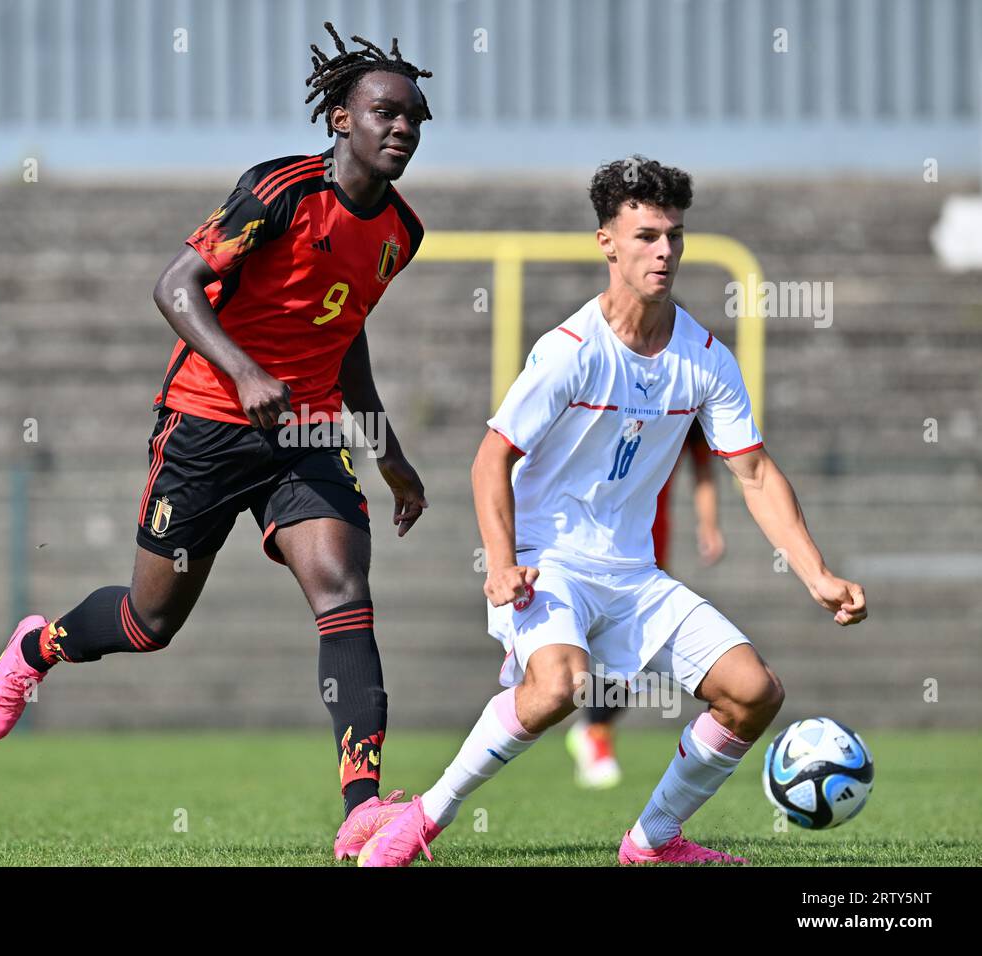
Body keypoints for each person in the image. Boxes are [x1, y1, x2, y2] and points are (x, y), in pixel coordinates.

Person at [0, 22, 432, 861]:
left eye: (415, 117)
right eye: (385, 111)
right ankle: (39, 646)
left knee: (342, 588)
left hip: (304, 430)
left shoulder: (403, 232)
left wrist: (386, 450)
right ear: (340, 118)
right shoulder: (278, 191)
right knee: (151, 622)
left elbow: (346, 335)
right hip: (206, 424)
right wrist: (246, 372)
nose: (402, 127)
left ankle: (362, 804)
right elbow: (175, 286)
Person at [358, 156, 867, 867]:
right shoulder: (570, 351)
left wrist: (815, 573)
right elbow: (490, 458)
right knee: (560, 686)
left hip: (634, 574)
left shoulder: (705, 358)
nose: (664, 252)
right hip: (549, 564)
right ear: (607, 242)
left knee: (754, 693)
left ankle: (653, 843)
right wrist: (502, 565)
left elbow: (751, 469)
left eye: (675, 237)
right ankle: (421, 820)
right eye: (646, 236)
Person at [566, 417, 724, 789]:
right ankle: (590, 727)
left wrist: (709, 525)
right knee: (583, 648)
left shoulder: (686, 401)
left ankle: (594, 727)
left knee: (638, 649)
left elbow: (703, 465)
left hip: (647, 549)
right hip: (585, 541)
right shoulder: (612, 389)